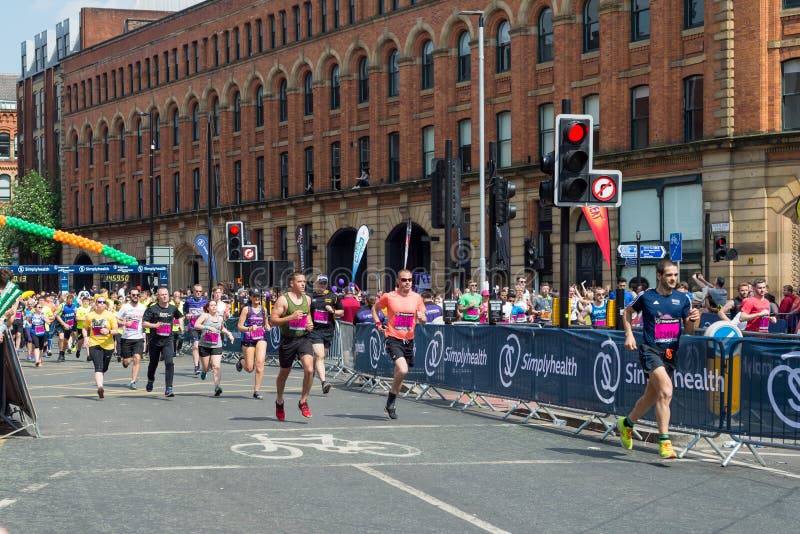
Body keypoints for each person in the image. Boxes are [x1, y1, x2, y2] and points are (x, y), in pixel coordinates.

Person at [617, 259, 699, 459]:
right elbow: (627, 312)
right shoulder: (646, 296)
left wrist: (695, 319)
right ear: (659, 276)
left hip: (670, 353)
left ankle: (627, 423)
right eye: (669, 275)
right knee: (666, 391)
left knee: (651, 397)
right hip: (650, 350)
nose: (673, 279)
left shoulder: (683, 299)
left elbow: (689, 330)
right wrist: (629, 334)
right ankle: (664, 441)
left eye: (675, 275)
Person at [372, 269, 427, 419]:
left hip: (408, 340)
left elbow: (423, 318)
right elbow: (375, 309)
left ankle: (390, 403)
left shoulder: (417, 298)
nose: (407, 282)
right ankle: (391, 401)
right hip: (393, 338)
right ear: (398, 281)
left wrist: (422, 318)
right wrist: (378, 324)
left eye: (409, 279)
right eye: (404, 280)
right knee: (402, 370)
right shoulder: (389, 297)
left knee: (399, 373)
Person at [270, 272, 315, 420]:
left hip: (303, 338)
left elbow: (307, 316)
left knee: (309, 369)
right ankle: (279, 401)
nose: (303, 284)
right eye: (300, 281)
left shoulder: (307, 299)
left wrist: (309, 324)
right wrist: (290, 317)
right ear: (292, 283)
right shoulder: (283, 300)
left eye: (304, 282)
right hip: (288, 340)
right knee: (284, 372)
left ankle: (303, 401)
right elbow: (273, 321)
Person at [142, 287, 184, 397]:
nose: (165, 296)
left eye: (166, 294)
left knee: (169, 363)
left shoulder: (173, 308)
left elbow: (180, 317)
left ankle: (169, 388)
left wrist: (181, 326)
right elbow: (144, 323)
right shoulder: (152, 309)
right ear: (158, 296)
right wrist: (154, 325)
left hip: (168, 340)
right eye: (162, 295)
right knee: (153, 363)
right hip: (155, 340)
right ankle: (150, 380)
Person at [308, 274, 343, 394]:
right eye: (320, 283)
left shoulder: (333, 297)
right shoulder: (310, 296)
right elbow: (305, 312)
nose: (323, 285)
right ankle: (324, 382)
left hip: (328, 331)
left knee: (320, 357)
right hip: (315, 331)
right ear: (316, 283)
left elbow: (341, 312)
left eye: (325, 283)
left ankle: (310, 370)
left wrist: (333, 311)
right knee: (320, 355)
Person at [194, 300, 235, 396]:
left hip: (216, 345)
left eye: (215, 305)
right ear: (208, 308)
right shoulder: (205, 315)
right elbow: (196, 325)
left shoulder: (220, 318)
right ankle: (204, 371)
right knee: (206, 367)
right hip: (204, 345)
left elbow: (221, 328)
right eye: (211, 305)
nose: (213, 307)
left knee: (216, 366)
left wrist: (229, 334)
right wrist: (207, 327)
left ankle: (217, 387)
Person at [236, 288, 270, 399]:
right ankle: (241, 361)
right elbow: (239, 326)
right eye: (254, 296)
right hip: (248, 339)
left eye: (258, 296)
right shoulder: (246, 309)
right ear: (250, 297)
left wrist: (268, 327)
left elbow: (266, 324)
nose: (257, 298)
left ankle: (256, 391)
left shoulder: (264, 309)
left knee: (260, 363)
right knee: (250, 368)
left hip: (261, 337)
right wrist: (249, 328)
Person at [82, 296, 119, 398]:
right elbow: (84, 328)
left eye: (103, 302)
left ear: (105, 304)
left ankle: (100, 384)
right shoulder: (90, 316)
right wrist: (86, 337)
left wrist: (109, 331)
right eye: (99, 302)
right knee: (98, 367)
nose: (102, 304)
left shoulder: (110, 315)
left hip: (108, 345)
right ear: (96, 303)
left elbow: (116, 330)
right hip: (94, 344)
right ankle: (100, 387)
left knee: (104, 367)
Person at [116, 288, 146, 389]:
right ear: (130, 296)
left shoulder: (143, 307)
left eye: (137, 295)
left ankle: (133, 381)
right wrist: (125, 323)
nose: (135, 297)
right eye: (133, 295)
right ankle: (125, 362)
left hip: (138, 338)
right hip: (126, 338)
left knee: (137, 358)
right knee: (127, 361)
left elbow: (147, 319)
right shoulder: (125, 307)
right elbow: (116, 318)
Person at [183, 284, 209, 376]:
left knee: (204, 347)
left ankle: (205, 365)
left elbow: (209, 313)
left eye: (200, 291)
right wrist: (187, 315)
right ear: (193, 291)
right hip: (193, 326)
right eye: (196, 291)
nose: (198, 293)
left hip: (203, 326)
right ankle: (196, 366)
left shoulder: (206, 301)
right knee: (196, 345)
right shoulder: (188, 301)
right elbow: (185, 311)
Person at [54, 294, 77, 362]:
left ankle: (63, 353)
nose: (70, 302)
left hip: (69, 326)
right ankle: (60, 354)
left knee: (66, 341)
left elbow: (76, 315)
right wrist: (63, 324)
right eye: (69, 300)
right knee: (61, 338)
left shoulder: (74, 306)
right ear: (66, 300)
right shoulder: (62, 306)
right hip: (61, 325)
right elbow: (57, 315)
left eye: (71, 301)